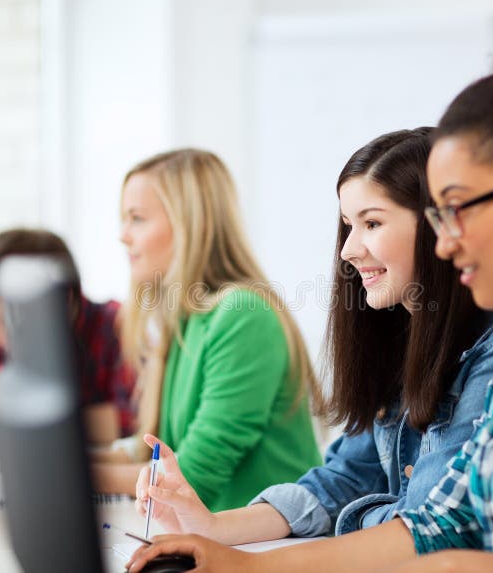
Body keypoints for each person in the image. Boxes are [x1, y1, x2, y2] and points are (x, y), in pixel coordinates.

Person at [125, 24, 493, 573]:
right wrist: (237, 557)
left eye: (455, 208)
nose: (443, 240)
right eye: (436, 214)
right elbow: (442, 522)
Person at [130, 128, 493, 543]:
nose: (348, 250)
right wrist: (212, 528)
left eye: (372, 222)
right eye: (348, 225)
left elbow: (424, 528)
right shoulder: (396, 334)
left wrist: (357, 519)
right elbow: (345, 477)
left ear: (439, 226)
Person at [91, 148, 322, 512]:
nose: (123, 235)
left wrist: (74, 474)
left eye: (136, 218)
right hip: (220, 541)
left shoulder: (243, 314)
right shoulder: (182, 320)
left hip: (271, 546)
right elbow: (151, 448)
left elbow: (188, 478)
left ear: (189, 224)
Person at [0, 228, 136, 448]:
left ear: (63, 300)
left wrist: (16, 429)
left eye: (6, 321)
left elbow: (135, 418)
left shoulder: (117, 328)